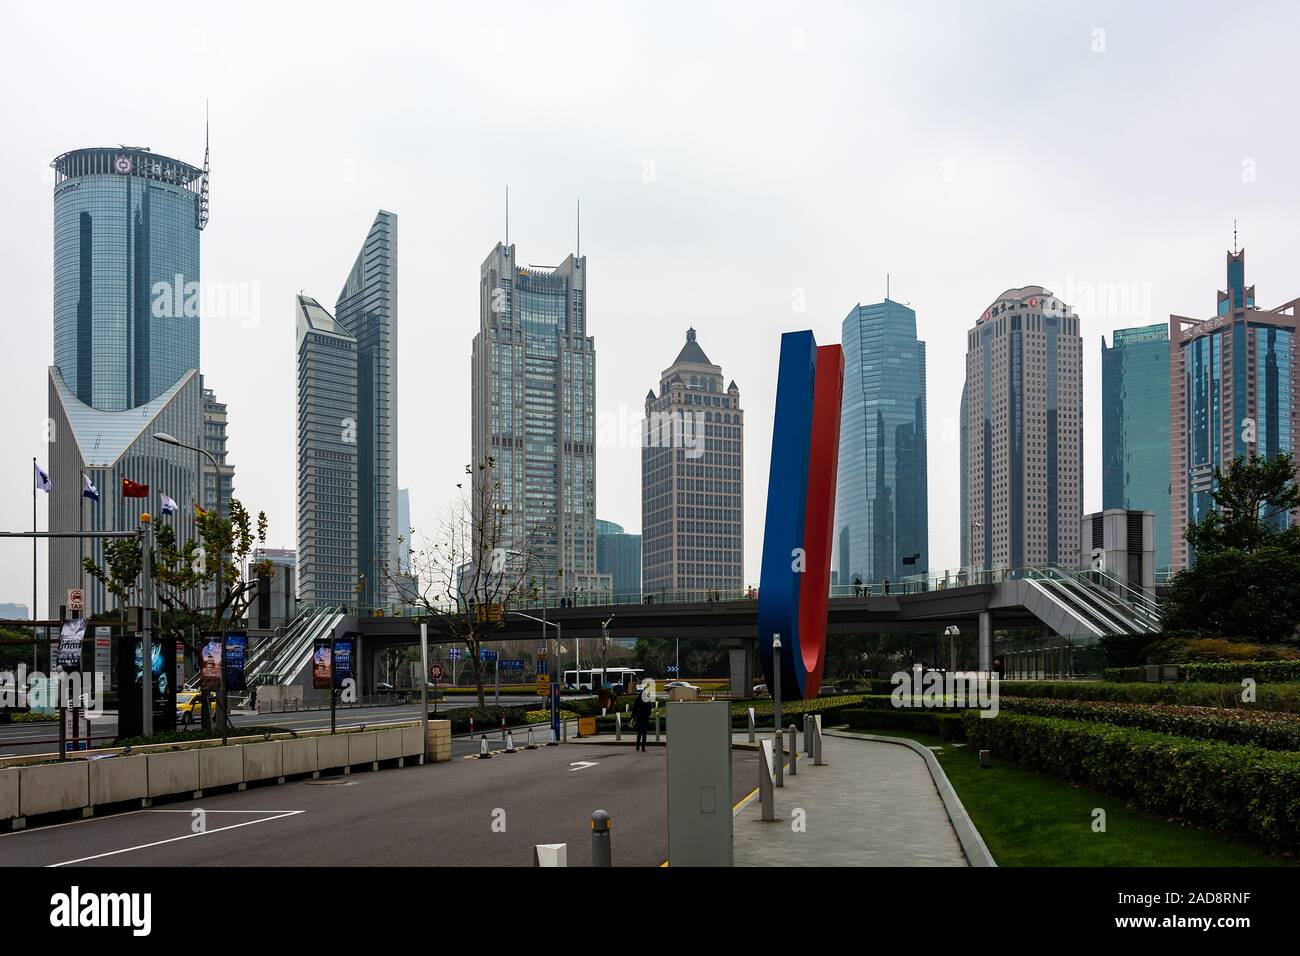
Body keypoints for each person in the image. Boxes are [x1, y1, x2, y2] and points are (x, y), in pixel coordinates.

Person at [631, 681, 653, 751]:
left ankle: (637, 747)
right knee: (644, 733)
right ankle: (643, 747)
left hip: (638, 717)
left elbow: (634, 708)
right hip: (645, 718)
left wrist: (632, 716)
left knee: (639, 732)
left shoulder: (638, 698)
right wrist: (648, 715)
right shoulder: (647, 699)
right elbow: (649, 710)